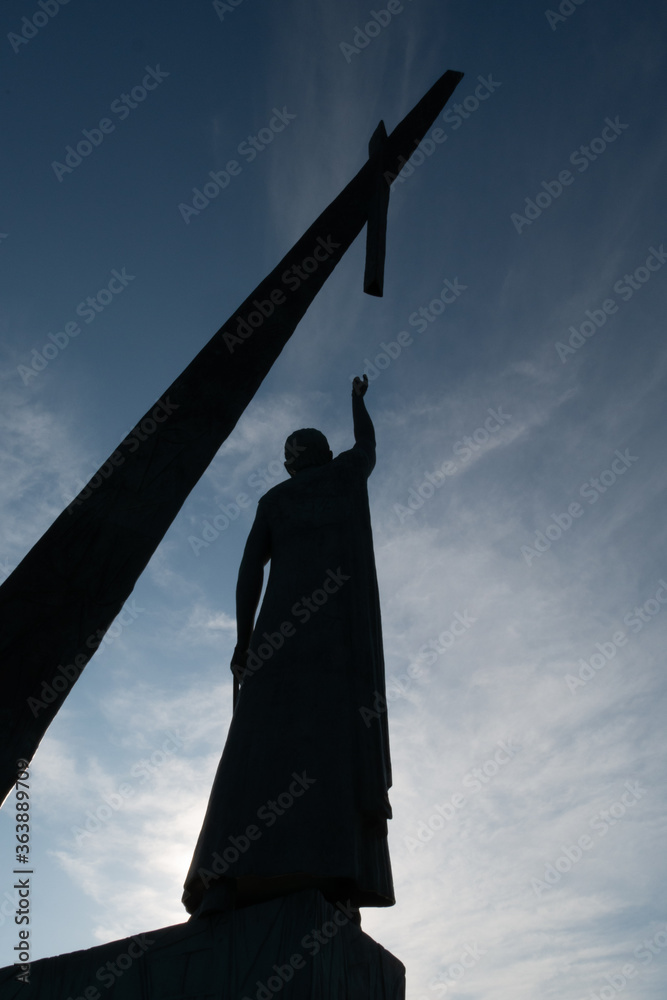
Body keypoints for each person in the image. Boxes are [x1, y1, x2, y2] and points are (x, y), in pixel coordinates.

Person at [182, 376, 394, 919]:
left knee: (259, 749)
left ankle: (229, 877)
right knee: (326, 749)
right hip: (336, 644)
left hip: (281, 637)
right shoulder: (345, 477)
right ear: (322, 455)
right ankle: (332, 881)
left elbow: (249, 571)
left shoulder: (277, 499)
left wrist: (244, 640)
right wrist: (356, 401)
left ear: (289, 462)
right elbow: (368, 447)